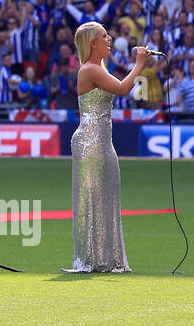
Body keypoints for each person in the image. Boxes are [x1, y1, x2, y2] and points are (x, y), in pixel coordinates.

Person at [63, 21, 150, 274]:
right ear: (93, 43)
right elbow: (123, 89)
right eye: (104, 36)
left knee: (106, 198)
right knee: (93, 200)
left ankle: (105, 259)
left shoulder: (96, 68)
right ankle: (94, 258)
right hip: (91, 143)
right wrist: (140, 66)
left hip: (102, 142)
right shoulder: (90, 69)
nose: (110, 39)